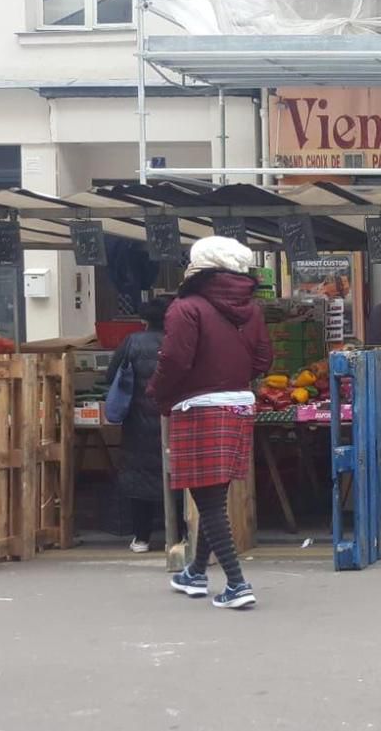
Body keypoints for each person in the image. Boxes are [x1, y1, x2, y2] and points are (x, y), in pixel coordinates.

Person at [149, 236, 272, 609]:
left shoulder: (186, 308)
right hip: (239, 403)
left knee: (209, 500)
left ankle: (237, 583)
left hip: (198, 406)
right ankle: (196, 572)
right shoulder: (252, 310)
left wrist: (158, 393)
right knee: (212, 496)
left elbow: (174, 360)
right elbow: (263, 359)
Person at [105, 297, 177, 554]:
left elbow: (111, 376)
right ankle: (178, 535)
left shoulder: (132, 342)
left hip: (138, 422)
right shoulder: (178, 340)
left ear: (144, 319)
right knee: (176, 477)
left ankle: (142, 538)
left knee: (140, 478)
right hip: (174, 419)